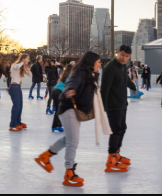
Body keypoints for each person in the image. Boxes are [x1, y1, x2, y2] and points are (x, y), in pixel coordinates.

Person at [35, 51, 108, 188]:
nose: (99, 64)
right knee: (73, 141)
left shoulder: (90, 74)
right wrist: (71, 89)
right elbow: (73, 81)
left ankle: (45, 156)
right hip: (68, 108)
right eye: (98, 62)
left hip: (74, 110)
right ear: (91, 62)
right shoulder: (80, 72)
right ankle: (69, 172)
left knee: (69, 139)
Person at [100, 45, 136, 173]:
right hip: (113, 105)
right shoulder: (110, 68)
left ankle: (116, 154)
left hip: (122, 104)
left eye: (126, 56)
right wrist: (102, 108)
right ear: (117, 53)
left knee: (122, 128)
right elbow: (104, 89)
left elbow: (125, 79)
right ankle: (111, 159)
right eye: (122, 55)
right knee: (116, 130)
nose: (124, 58)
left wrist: (132, 86)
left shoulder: (122, 66)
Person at [9, 53, 31, 132]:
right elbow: (16, 67)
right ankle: (13, 125)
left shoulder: (22, 67)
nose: (28, 60)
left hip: (18, 87)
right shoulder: (16, 65)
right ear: (23, 59)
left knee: (20, 106)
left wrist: (27, 68)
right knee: (16, 106)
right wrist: (22, 63)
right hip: (13, 87)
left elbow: (30, 75)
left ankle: (18, 122)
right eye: (27, 59)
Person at [50, 64, 75, 133]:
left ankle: (56, 126)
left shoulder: (64, 76)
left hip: (55, 92)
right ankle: (56, 126)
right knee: (60, 110)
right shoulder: (70, 76)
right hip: (58, 93)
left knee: (59, 110)